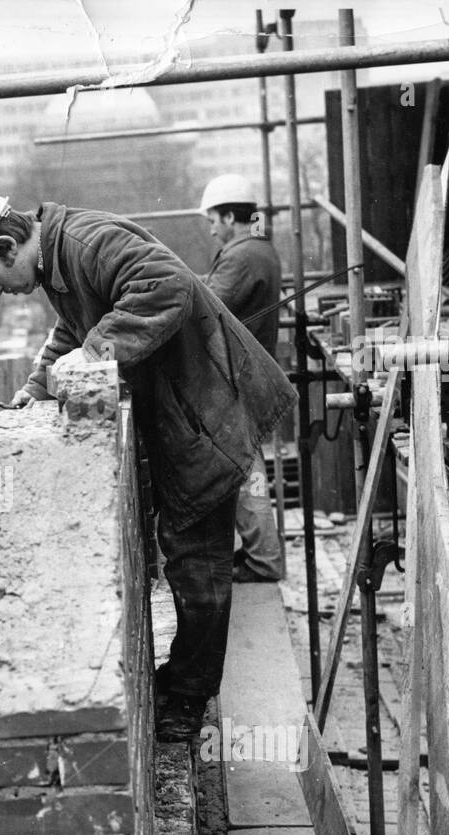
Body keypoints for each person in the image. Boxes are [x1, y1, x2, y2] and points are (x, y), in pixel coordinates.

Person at [0, 191, 294, 739]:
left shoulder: (83, 242)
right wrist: (35, 388)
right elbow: (74, 330)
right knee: (186, 552)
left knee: (197, 559)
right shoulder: (59, 262)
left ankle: (191, 697)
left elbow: (165, 284)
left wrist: (96, 353)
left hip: (205, 411)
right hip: (183, 414)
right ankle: (186, 676)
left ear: (7, 246)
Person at [201, 173, 286, 583]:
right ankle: (259, 554)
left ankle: (263, 560)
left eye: (214, 218)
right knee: (247, 467)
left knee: (244, 469)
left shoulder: (240, 257)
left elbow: (204, 308)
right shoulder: (260, 250)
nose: (211, 227)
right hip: (250, 375)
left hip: (237, 380)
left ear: (232, 216)